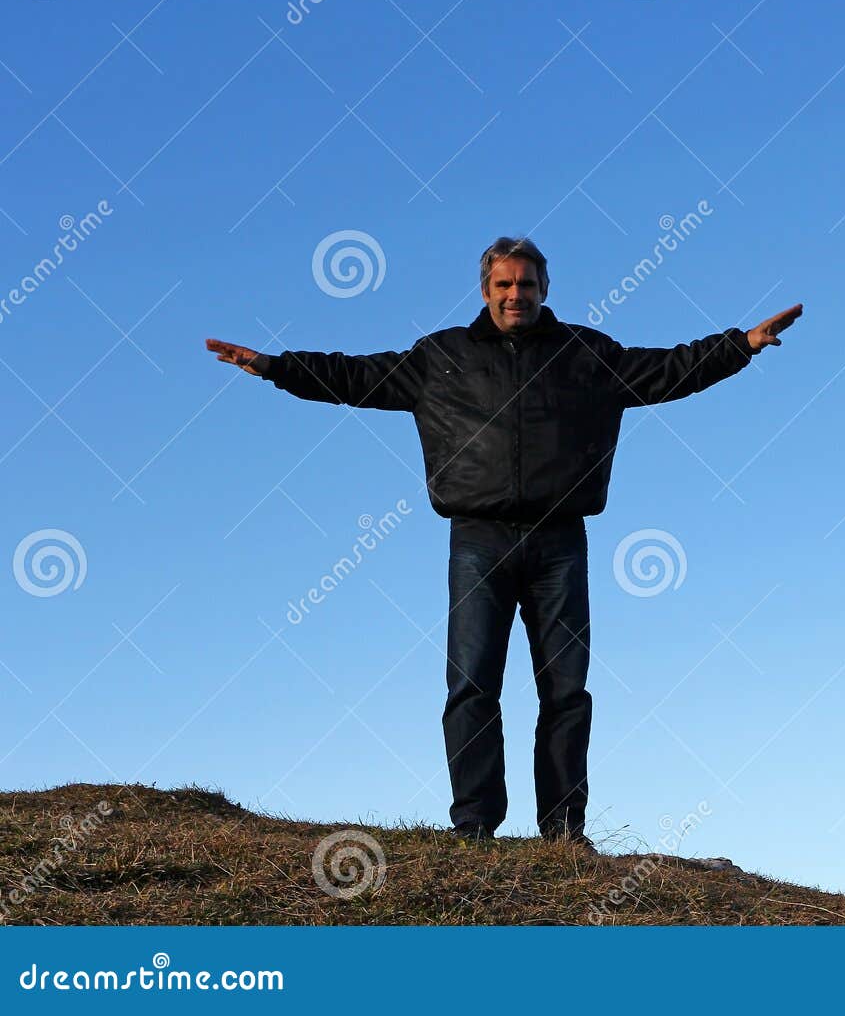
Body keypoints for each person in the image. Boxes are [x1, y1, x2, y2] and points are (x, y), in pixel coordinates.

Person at [205, 236, 802, 846]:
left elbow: (670, 368)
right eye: (504, 285)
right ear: (486, 289)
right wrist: (275, 367)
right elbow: (353, 375)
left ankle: (564, 830)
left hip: (560, 543)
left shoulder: (586, 354)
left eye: (527, 284)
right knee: (471, 684)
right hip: (477, 542)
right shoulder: (440, 358)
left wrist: (741, 346)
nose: (516, 294)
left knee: (566, 690)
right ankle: (473, 824)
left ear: (546, 290)